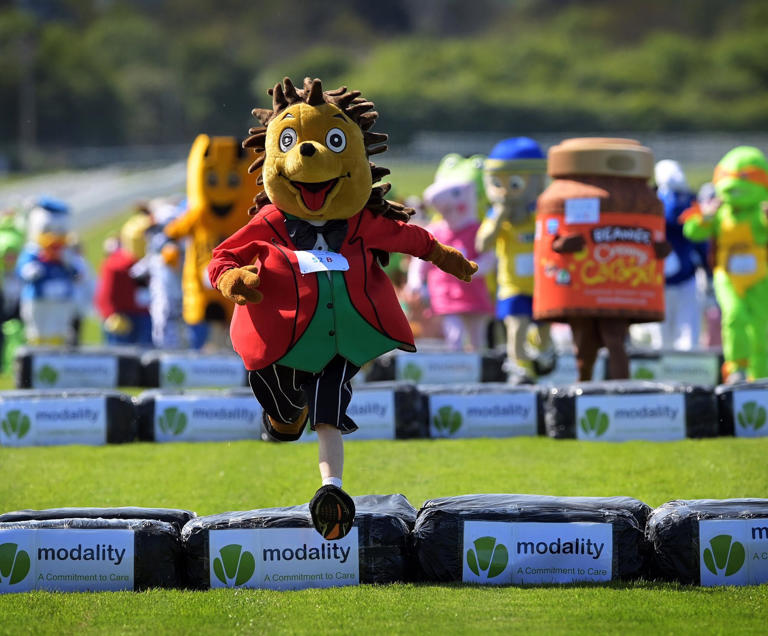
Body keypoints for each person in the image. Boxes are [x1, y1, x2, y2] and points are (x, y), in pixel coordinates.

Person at [208, 77, 477, 540]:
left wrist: (444, 256)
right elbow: (222, 257)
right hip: (279, 336)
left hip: (341, 340)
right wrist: (233, 280)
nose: (310, 156)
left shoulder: (359, 221)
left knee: (328, 414)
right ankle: (283, 417)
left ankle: (330, 491)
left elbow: (408, 237)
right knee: (280, 409)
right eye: (291, 143)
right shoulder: (270, 221)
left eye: (334, 142)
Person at [683, 146, 768, 382]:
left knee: (760, 327)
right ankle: (737, 369)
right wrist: (705, 216)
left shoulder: (761, 212)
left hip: (760, 277)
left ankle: (761, 375)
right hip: (727, 276)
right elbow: (692, 232)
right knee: (733, 316)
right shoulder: (718, 211)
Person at [475, 137, 555, 381]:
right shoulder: (498, 216)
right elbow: (482, 244)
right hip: (513, 285)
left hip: (542, 284)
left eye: (514, 183)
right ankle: (518, 365)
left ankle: (541, 349)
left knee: (543, 327)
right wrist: (500, 215)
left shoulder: (541, 211)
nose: (506, 191)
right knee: (516, 325)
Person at [654, 160, 710, 350]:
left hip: (686, 278)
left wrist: (708, 269)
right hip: (659, 280)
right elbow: (670, 216)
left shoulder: (689, 201)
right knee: (663, 335)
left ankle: (686, 367)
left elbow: (698, 238)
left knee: (687, 332)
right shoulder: (653, 201)